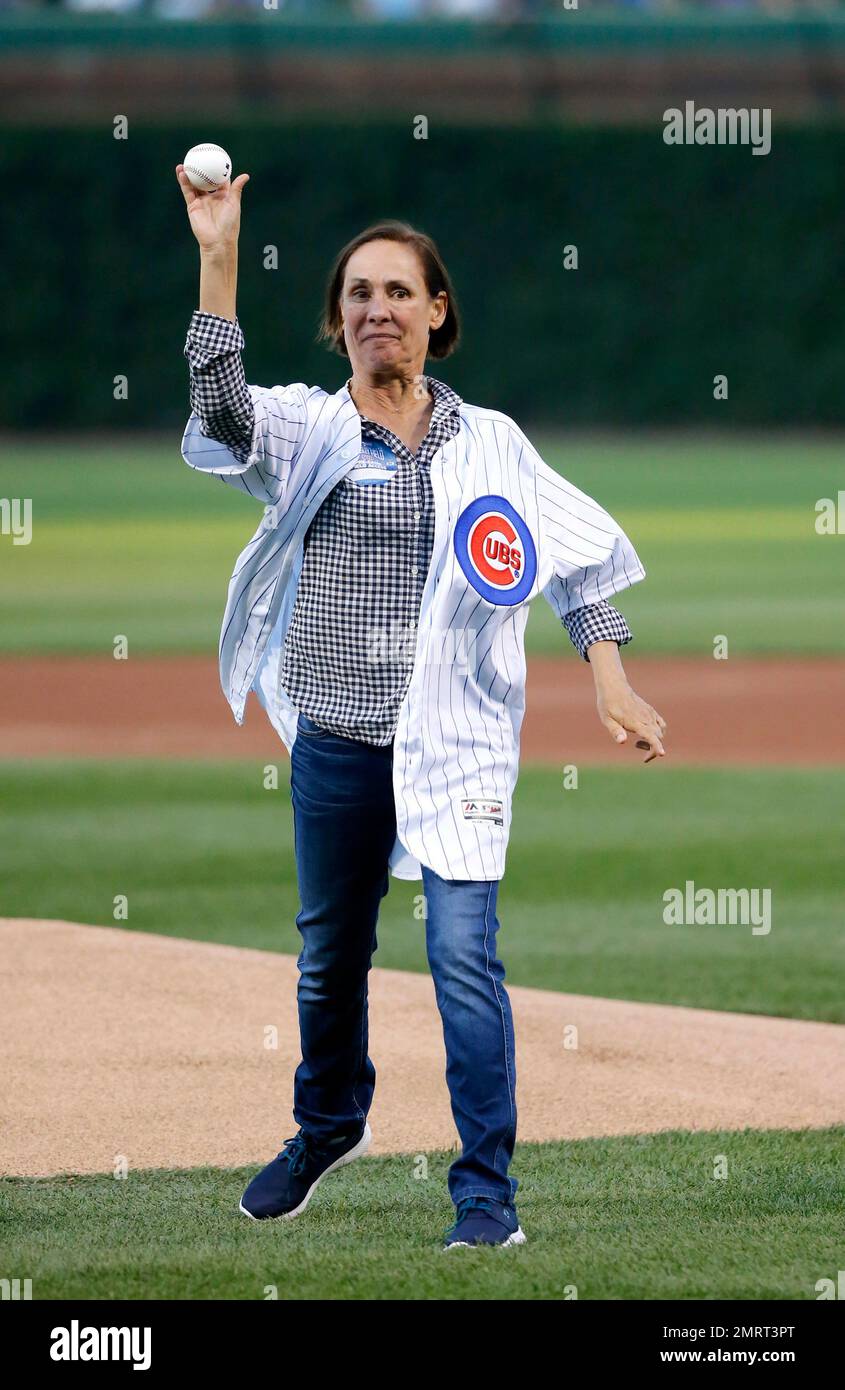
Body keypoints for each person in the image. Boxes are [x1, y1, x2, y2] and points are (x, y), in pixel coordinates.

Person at [176, 163, 667, 1250]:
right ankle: (326, 1124)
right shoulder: (307, 432)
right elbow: (220, 408)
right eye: (357, 294)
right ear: (337, 321)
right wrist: (219, 255)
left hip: (456, 747)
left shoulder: (489, 441)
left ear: (435, 312)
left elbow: (575, 562)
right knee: (327, 956)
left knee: (459, 957)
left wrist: (609, 673)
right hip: (339, 742)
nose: (376, 309)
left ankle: (484, 1198)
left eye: (398, 291)